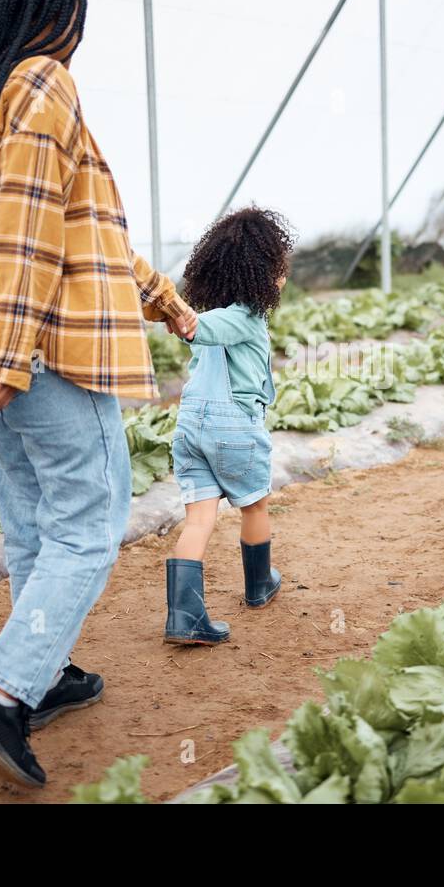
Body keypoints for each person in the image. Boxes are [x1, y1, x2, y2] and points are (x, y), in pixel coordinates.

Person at [0, 0, 197, 789]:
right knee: (91, 521)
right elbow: (30, 239)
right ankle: (6, 693)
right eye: (72, 13)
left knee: (33, 527)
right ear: (52, 11)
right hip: (43, 358)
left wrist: (168, 304)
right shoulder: (45, 83)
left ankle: (44, 672)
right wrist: (15, 355)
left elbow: (89, 237)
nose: (76, 31)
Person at [164, 208, 294, 645]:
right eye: (279, 268)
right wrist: (190, 324)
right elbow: (208, 328)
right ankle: (259, 586)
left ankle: (184, 616)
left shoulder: (221, 317)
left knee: (199, 518)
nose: (282, 277)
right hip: (232, 428)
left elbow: (207, 330)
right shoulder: (246, 318)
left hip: (189, 428)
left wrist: (190, 322)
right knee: (254, 505)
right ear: (262, 272)